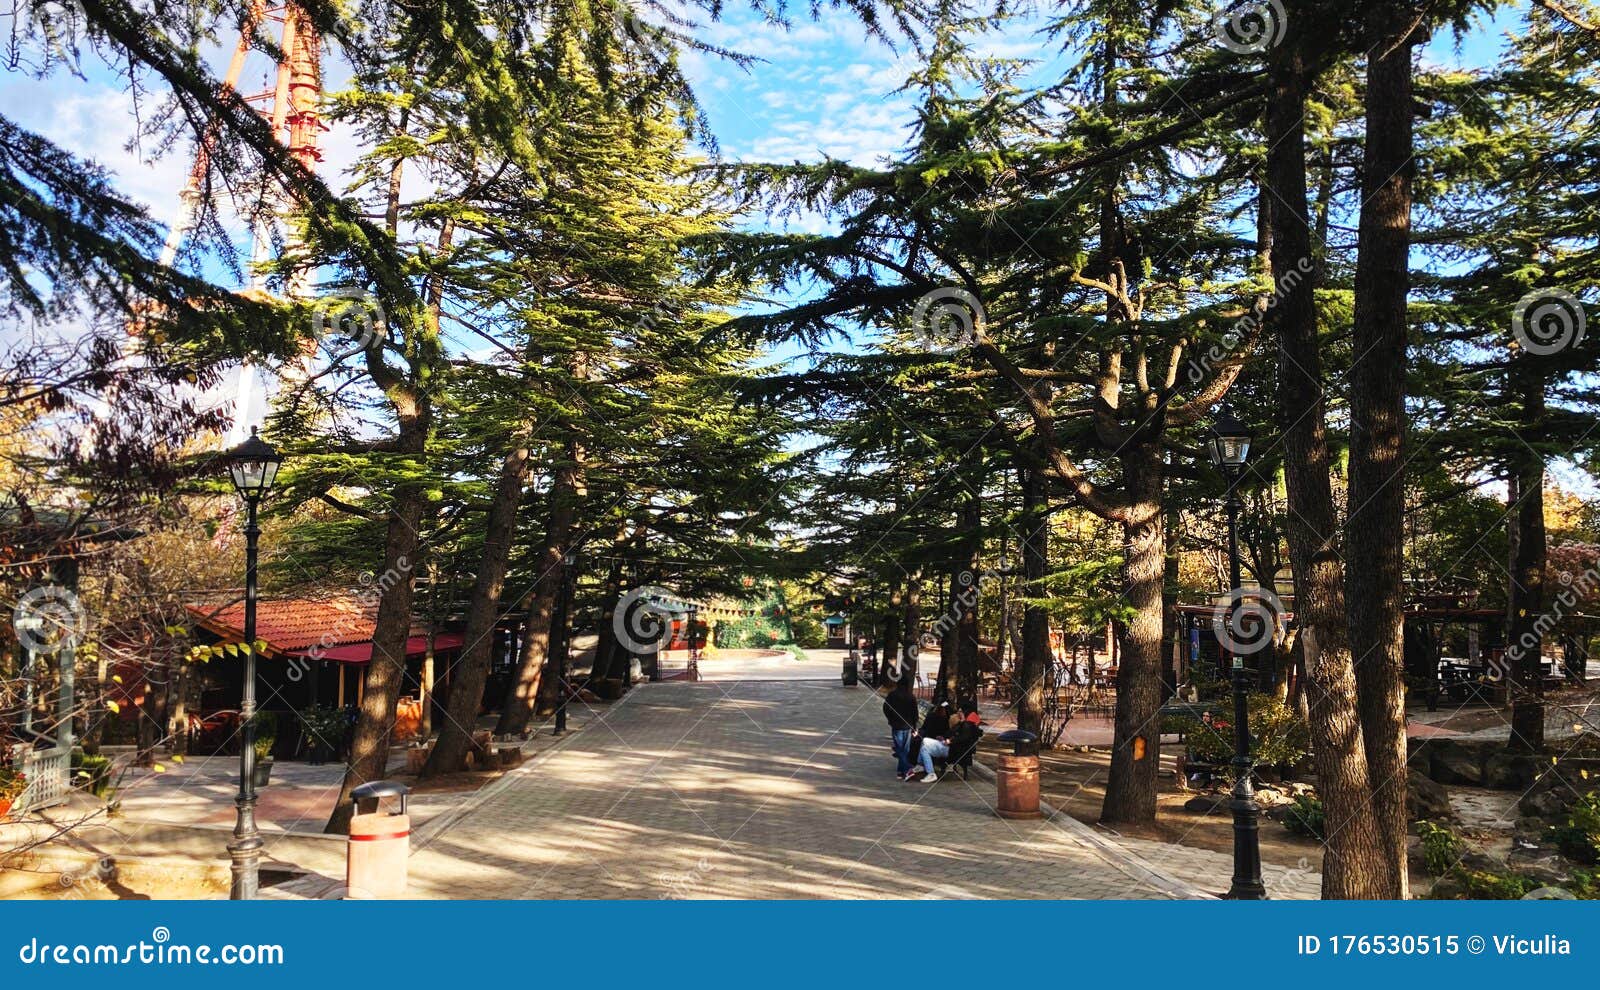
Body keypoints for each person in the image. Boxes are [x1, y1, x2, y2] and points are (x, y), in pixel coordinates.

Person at [882, 678, 918, 778]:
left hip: (896, 725)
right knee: (905, 749)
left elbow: (885, 708)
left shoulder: (892, 695)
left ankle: (903, 770)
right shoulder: (911, 697)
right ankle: (905, 769)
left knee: (899, 748)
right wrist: (914, 726)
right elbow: (915, 713)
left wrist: (890, 719)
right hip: (908, 725)